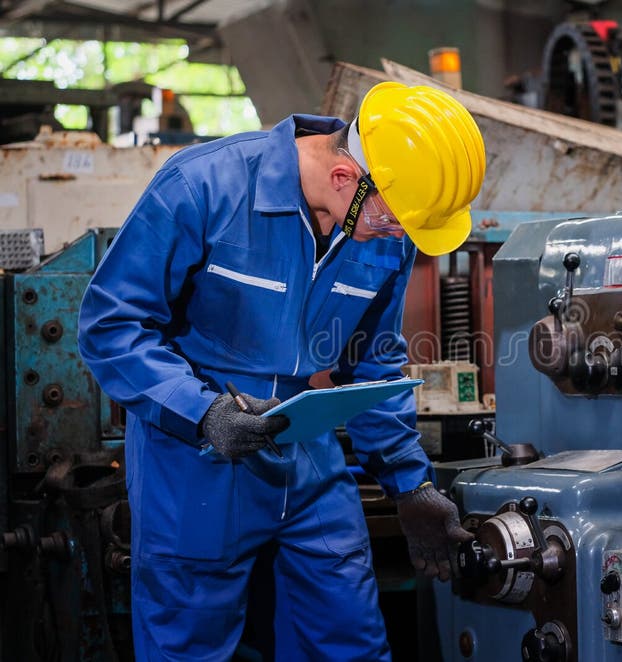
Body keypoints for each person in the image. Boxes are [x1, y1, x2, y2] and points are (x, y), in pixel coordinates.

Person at [77, 81, 485, 661]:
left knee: (351, 643)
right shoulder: (203, 187)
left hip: (306, 452)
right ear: (348, 177)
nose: (399, 236)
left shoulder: (383, 232)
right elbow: (109, 326)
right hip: (193, 459)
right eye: (394, 220)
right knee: (190, 648)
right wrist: (203, 412)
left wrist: (409, 480)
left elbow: (374, 360)